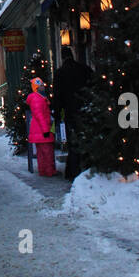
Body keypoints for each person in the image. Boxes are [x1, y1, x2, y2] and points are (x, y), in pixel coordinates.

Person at [53, 50, 90, 181]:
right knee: (86, 138)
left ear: (62, 58)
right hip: (86, 110)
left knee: (73, 142)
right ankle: (86, 167)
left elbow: (57, 96)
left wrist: (57, 114)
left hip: (70, 111)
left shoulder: (59, 74)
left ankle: (73, 171)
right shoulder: (84, 69)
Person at [26, 76, 57, 176]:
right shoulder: (38, 99)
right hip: (42, 130)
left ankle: (43, 170)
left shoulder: (38, 98)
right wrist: (46, 130)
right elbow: (40, 115)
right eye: (42, 85)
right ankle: (49, 171)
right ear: (37, 87)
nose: (44, 87)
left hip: (38, 130)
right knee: (47, 152)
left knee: (41, 152)